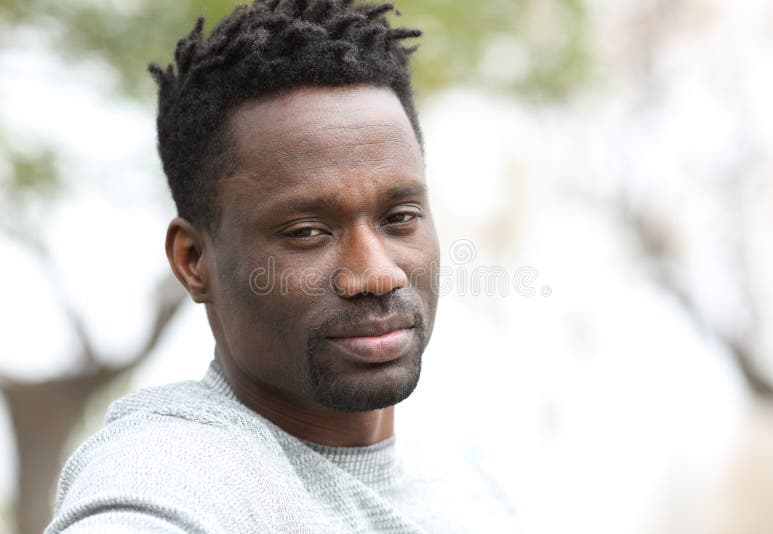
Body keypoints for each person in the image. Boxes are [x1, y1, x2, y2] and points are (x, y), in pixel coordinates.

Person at [47, 1, 518, 532]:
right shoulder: (165, 478)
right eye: (306, 232)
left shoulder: (471, 490)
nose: (377, 274)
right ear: (193, 260)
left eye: (399, 217)